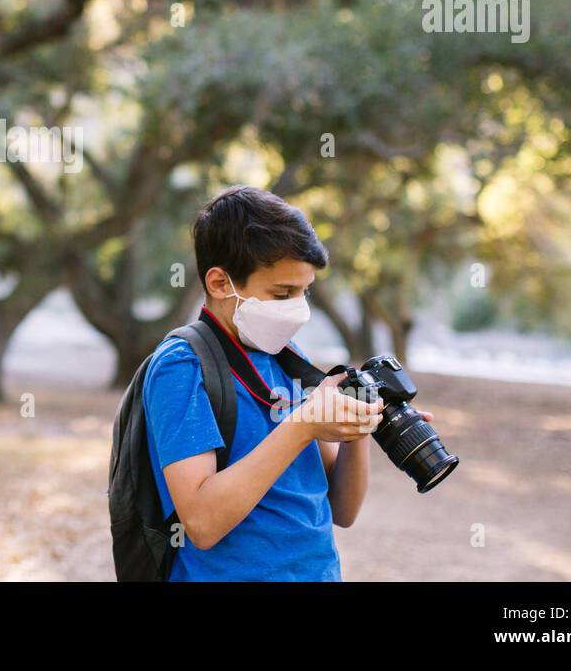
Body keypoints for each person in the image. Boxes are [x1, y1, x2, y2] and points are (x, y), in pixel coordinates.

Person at [143, 185, 435, 580]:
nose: (298, 309)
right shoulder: (181, 367)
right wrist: (301, 427)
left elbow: (343, 511)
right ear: (218, 283)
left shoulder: (285, 353)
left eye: (304, 292)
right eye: (283, 293)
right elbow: (202, 523)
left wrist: (359, 423)